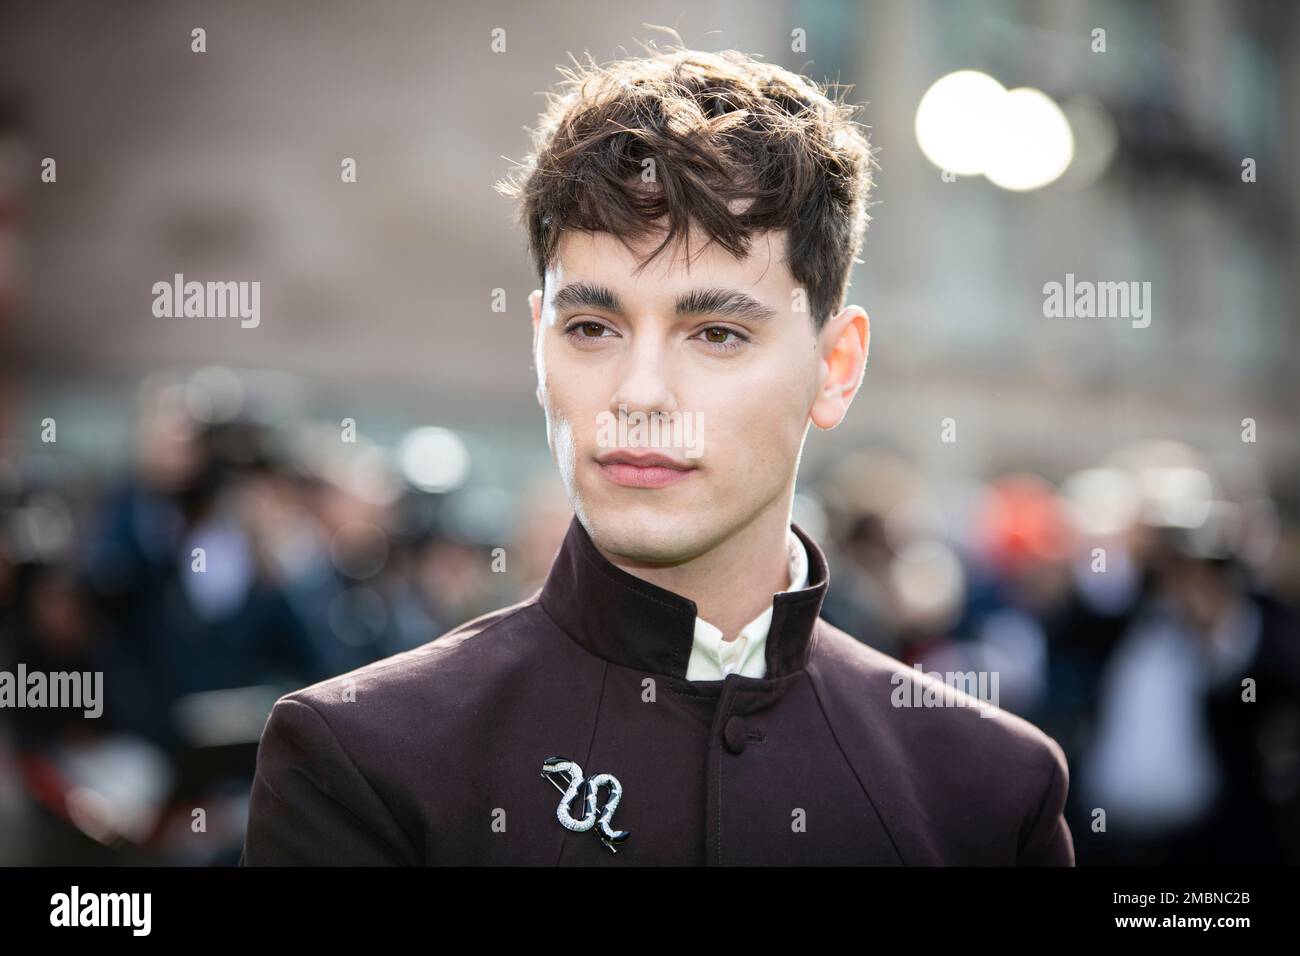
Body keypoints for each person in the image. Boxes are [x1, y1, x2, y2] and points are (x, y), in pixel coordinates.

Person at [240, 43, 1073, 865]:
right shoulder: (364, 758)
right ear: (539, 345)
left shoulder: (992, 791)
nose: (640, 395)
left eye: (715, 333)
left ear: (836, 367)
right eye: (592, 328)